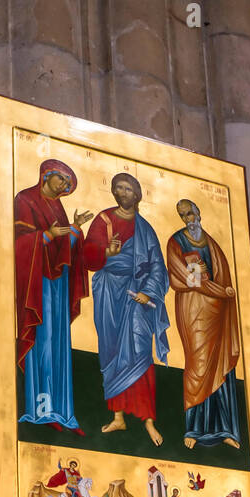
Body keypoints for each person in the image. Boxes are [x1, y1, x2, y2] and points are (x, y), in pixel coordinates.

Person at [84, 174, 170, 446]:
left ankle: (148, 421)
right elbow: (88, 255)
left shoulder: (145, 229)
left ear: (137, 194)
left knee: (141, 351)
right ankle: (118, 416)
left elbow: (157, 265)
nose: (123, 192)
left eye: (128, 188)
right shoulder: (104, 220)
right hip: (109, 290)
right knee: (111, 352)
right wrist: (106, 253)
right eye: (118, 188)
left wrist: (148, 292)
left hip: (137, 295)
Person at [13, 159, 92, 432]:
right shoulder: (25, 199)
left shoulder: (57, 205)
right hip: (38, 285)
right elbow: (20, 242)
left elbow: (61, 251)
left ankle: (60, 411)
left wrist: (73, 231)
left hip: (57, 286)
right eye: (62, 181)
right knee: (43, 342)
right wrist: (46, 235)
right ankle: (40, 409)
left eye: (68, 184)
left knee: (58, 343)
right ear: (47, 175)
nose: (64, 187)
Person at [166, 198, 241, 449]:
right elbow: (182, 277)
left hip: (216, 313)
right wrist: (220, 291)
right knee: (198, 364)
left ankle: (226, 429)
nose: (189, 218)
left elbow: (224, 275)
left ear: (199, 213)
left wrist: (221, 293)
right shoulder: (176, 242)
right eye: (184, 215)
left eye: (191, 213)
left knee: (220, 367)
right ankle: (194, 429)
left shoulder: (212, 243)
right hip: (193, 311)